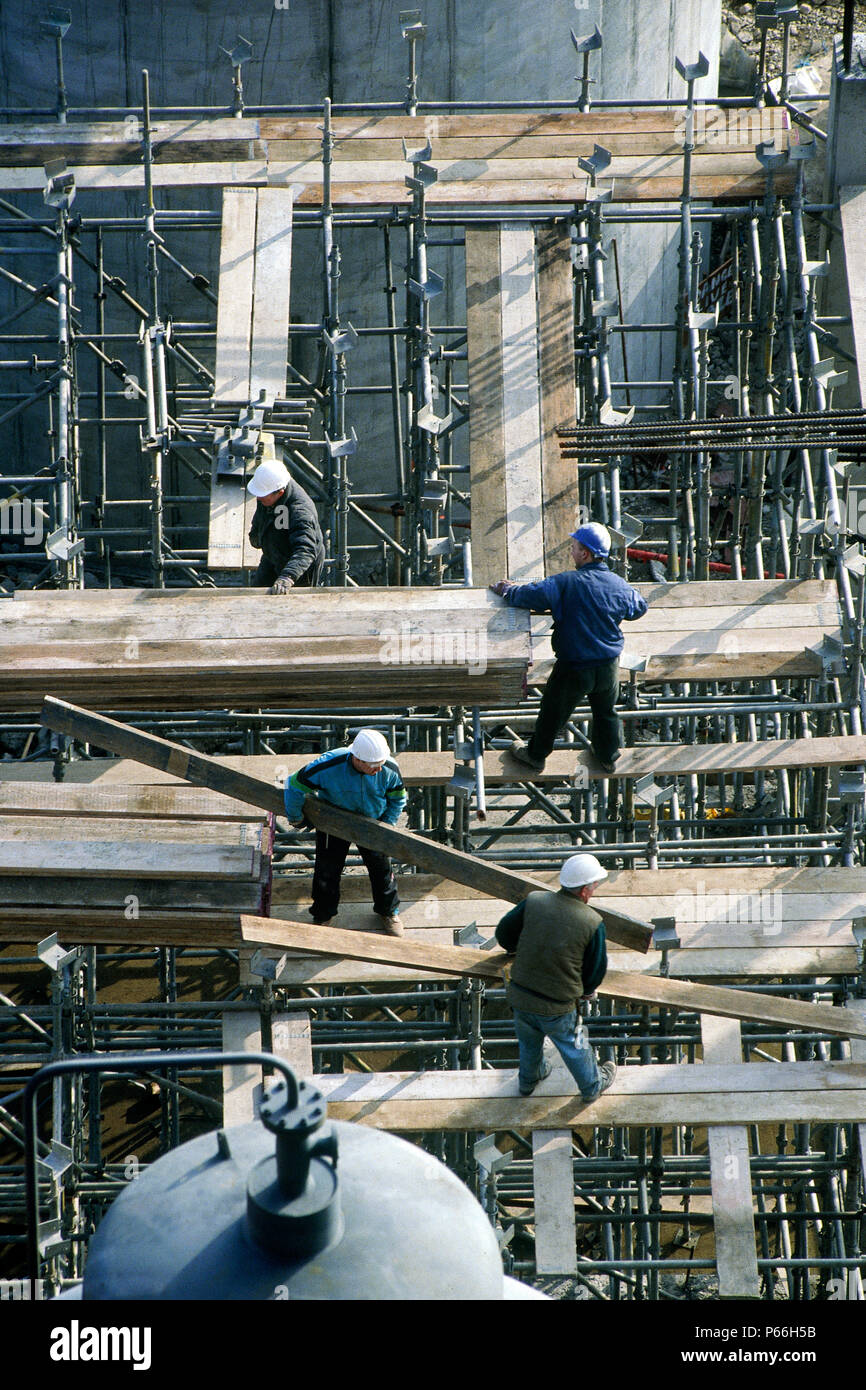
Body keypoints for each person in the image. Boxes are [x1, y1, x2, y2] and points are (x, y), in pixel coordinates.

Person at [490, 521, 647, 774]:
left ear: (585, 553)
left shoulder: (566, 583)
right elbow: (638, 607)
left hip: (574, 667)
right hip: (608, 666)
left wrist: (507, 590)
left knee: (553, 711)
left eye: (573, 547)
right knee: (606, 711)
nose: (571, 552)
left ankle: (535, 755)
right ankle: (608, 756)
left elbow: (532, 595)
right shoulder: (618, 585)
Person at [495, 853, 616, 1099]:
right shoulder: (593, 921)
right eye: (594, 886)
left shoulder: (535, 901)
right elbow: (595, 969)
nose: (594, 891)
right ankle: (592, 1084)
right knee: (576, 1046)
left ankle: (528, 1081)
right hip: (558, 1006)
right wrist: (586, 990)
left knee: (529, 1043)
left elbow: (504, 933)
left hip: (520, 996)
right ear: (584, 890)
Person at [284, 729, 408, 936]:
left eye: (380, 764)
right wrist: (295, 816)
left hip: (373, 822)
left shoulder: (388, 767)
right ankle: (323, 915)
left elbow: (398, 798)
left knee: (381, 870)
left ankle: (389, 911)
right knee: (327, 870)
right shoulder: (329, 764)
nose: (379, 769)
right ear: (357, 759)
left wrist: (387, 825)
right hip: (334, 821)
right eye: (373, 766)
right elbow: (294, 784)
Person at [246, 445, 325, 594]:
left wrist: (288, 577)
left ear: (280, 493)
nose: (258, 498)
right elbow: (261, 518)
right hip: (273, 554)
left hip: (299, 566)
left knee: (293, 608)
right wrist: (257, 535)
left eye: (262, 496)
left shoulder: (301, 511)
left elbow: (306, 550)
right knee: (256, 596)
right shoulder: (267, 493)